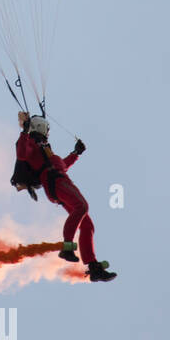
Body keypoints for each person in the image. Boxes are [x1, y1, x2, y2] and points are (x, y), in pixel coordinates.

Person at [12, 112, 116, 282]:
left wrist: (76, 153)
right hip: (56, 182)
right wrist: (23, 132)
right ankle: (67, 247)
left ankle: (93, 266)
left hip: (61, 182)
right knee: (82, 207)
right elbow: (22, 154)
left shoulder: (48, 153)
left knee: (87, 224)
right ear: (42, 128)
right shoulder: (31, 145)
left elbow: (63, 165)